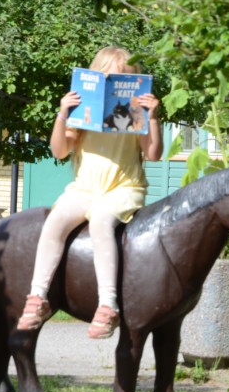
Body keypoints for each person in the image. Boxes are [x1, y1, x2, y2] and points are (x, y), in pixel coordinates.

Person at [16, 46, 163, 339]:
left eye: (123, 76)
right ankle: (37, 297)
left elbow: (154, 154)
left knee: (100, 222)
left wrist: (153, 117)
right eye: (109, 75)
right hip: (84, 189)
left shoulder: (136, 112)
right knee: (55, 221)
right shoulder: (84, 110)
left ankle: (107, 305)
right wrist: (62, 115)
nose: (115, 80)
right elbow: (59, 151)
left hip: (124, 189)